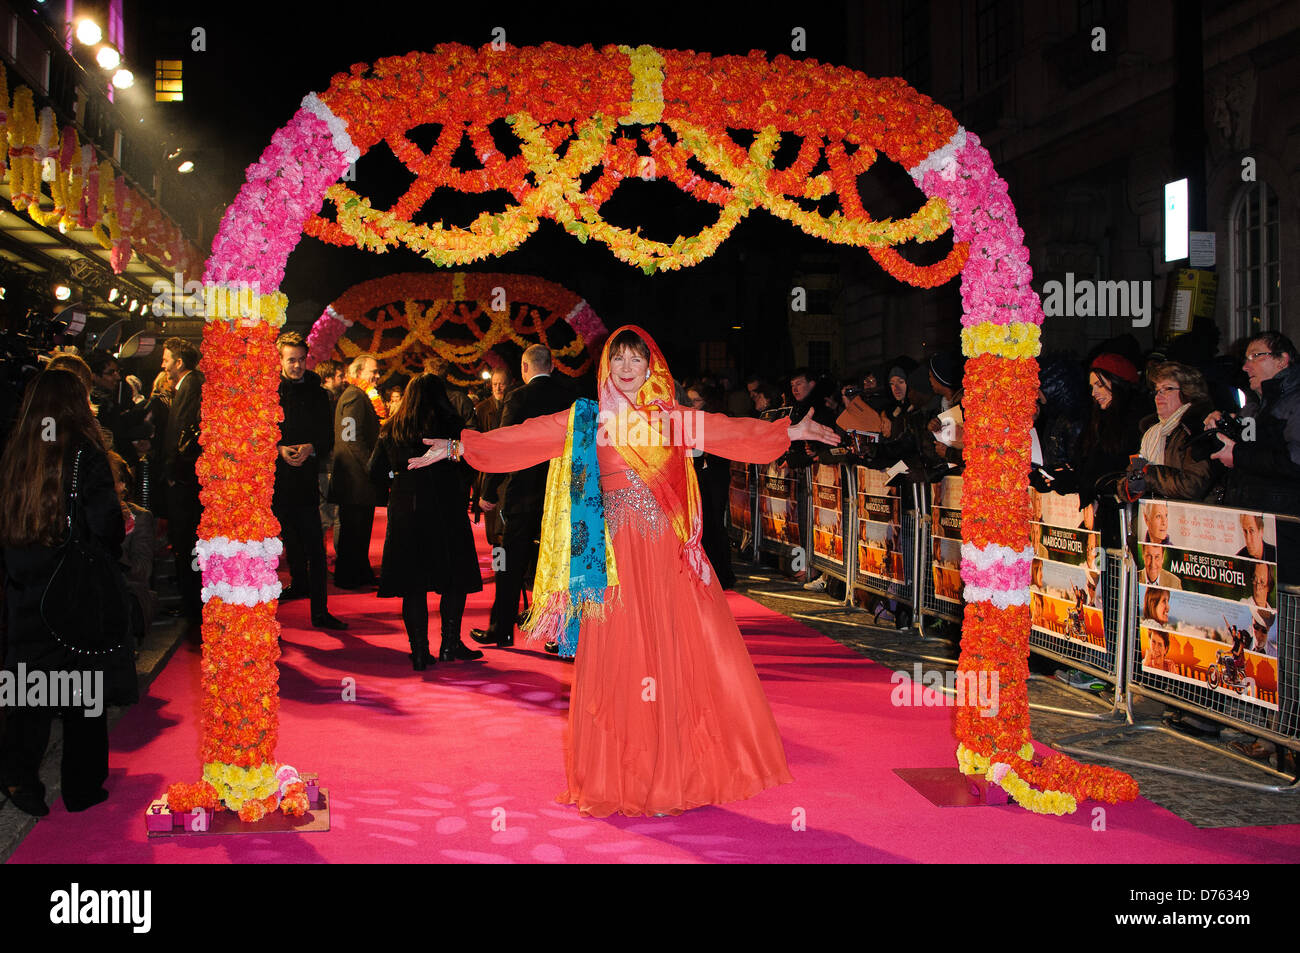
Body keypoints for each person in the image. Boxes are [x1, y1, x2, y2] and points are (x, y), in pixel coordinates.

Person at [412, 325, 840, 817]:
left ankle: (671, 775)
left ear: (651, 367)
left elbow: (726, 429)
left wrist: (788, 431)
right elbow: (526, 438)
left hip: (664, 555)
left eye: (638, 359)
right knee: (621, 658)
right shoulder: (586, 419)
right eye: (620, 360)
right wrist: (459, 448)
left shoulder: (672, 419)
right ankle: (626, 776)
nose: (629, 368)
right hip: (612, 562)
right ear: (606, 366)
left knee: (670, 657)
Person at [0, 369, 123, 816]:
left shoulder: (16, 449)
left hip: (22, 581)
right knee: (82, 690)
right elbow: (106, 522)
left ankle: (20, 778)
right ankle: (81, 785)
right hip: (71, 585)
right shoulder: (83, 452)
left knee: (28, 688)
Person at [370, 374, 483, 669]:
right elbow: (473, 462)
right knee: (454, 579)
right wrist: (459, 485)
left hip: (407, 510)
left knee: (413, 583)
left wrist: (394, 486)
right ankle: (449, 644)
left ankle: (420, 651)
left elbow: (374, 470)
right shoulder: (452, 427)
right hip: (446, 509)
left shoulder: (392, 428)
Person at [469, 345, 571, 648]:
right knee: (556, 566)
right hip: (559, 493)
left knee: (509, 565)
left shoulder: (517, 398)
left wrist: (487, 492)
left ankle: (502, 629)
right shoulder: (569, 396)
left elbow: (504, 445)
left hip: (522, 493)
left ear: (525, 368)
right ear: (551, 366)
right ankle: (559, 634)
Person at [273, 332, 345, 630]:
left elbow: (328, 438)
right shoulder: (268, 391)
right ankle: (289, 592)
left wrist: (310, 448)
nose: (298, 366)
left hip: (305, 480)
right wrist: (278, 450)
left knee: (315, 547)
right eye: (292, 360)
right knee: (280, 545)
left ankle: (320, 611)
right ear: (279, 360)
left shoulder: (318, 393)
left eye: (302, 360)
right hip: (273, 481)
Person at [1073, 353, 1150, 545]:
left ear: (1118, 383)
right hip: (1103, 515)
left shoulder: (1139, 420)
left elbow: (1138, 471)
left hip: (1127, 518)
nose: (1094, 393)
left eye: (1099, 385)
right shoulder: (1097, 420)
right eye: (1092, 387)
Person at [328, 354, 384, 590]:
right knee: (354, 531)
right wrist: (371, 465)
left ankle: (358, 572)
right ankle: (350, 576)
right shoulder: (354, 396)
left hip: (356, 480)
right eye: (373, 371)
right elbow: (351, 438)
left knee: (359, 530)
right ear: (358, 373)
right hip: (355, 479)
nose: (377, 376)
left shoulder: (358, 395)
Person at [161, 337, 204, 622]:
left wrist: (174, 473)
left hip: (185, 481)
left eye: (165, 359)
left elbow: (183, 433)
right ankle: (191, 604)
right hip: (186, 478)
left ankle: (192, 606)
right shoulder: (190, 384)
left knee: (186, 540)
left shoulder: (190, 385)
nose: (162, 365)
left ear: (179, 362)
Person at [1133, 362, 1215, 500]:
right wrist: (1127, 483)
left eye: (1167, 389)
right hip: (1156, 516)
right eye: (1157, 390)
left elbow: (1192, 486)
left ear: (1187, 392)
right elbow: (1133, 478)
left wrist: (1148, 474)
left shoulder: (1197, 429)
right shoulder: (1151, 433)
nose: (1158, 396)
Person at [686, 382, 736, 590]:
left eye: (696, 400)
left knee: (714, 523)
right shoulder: (691, 418)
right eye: (690, 401)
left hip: (715, 476)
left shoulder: (716, 419)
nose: (693, 404)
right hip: (702, 475)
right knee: (705, 525)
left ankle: (722, 573)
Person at [109, 451, 157, 641]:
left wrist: (112, 548)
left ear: (122, 485)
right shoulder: (87, 515)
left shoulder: (139, 517)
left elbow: (143, 570)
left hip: (128, 592)